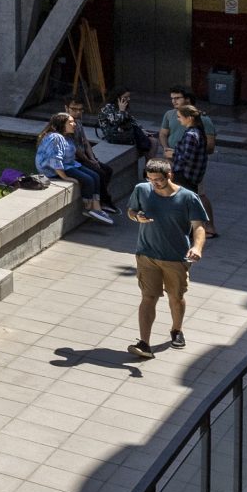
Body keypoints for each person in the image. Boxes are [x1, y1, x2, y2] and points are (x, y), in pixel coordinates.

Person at [126, 153, 211, 357]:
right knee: (148, 297)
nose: (154, 184)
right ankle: (144, 343)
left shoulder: (188, 197)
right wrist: (137, 217)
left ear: (169, 175)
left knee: (176, 296)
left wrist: (197, 247)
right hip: (146, 254)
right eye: (150, 179)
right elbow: (131, 211)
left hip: (175, 257)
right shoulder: (141, 190)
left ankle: (176, 330)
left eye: (158, 180)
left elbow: (199, 226)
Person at [36, 113, 116, 226]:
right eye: (70, 122)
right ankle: (88, 207)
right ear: (61, 124)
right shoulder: (55, 137)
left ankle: (97, 208)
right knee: (88, 180)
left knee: (96, 176)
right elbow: (54, 160)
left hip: (69, 164)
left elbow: (72, 153)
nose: (74, 124)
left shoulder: (67, 136)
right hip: (53, 169)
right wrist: (65, 177)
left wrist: (88, 161)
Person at [168, 97, 219, 240]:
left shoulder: (191, 135)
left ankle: (188, 232)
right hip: (192, 176)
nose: (178, 120)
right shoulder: (197, 132)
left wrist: (174, 155)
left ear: (189, 118)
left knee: (183, 205)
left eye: (179, 117)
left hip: (185, 175)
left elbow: (187, 157)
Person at [97, 90, 155, 169]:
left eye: (129, 97)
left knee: (154, 141)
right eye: (125, 97)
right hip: (114, 135)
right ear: (118, 98)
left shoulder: (122, 106)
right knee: (150, 142)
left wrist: (142, 130)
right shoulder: (107, 108)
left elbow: (132, 120)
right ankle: (150, 170)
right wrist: (121, 111)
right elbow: (115, 122)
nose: (128, 99)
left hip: (125, 132)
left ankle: (149, 168)